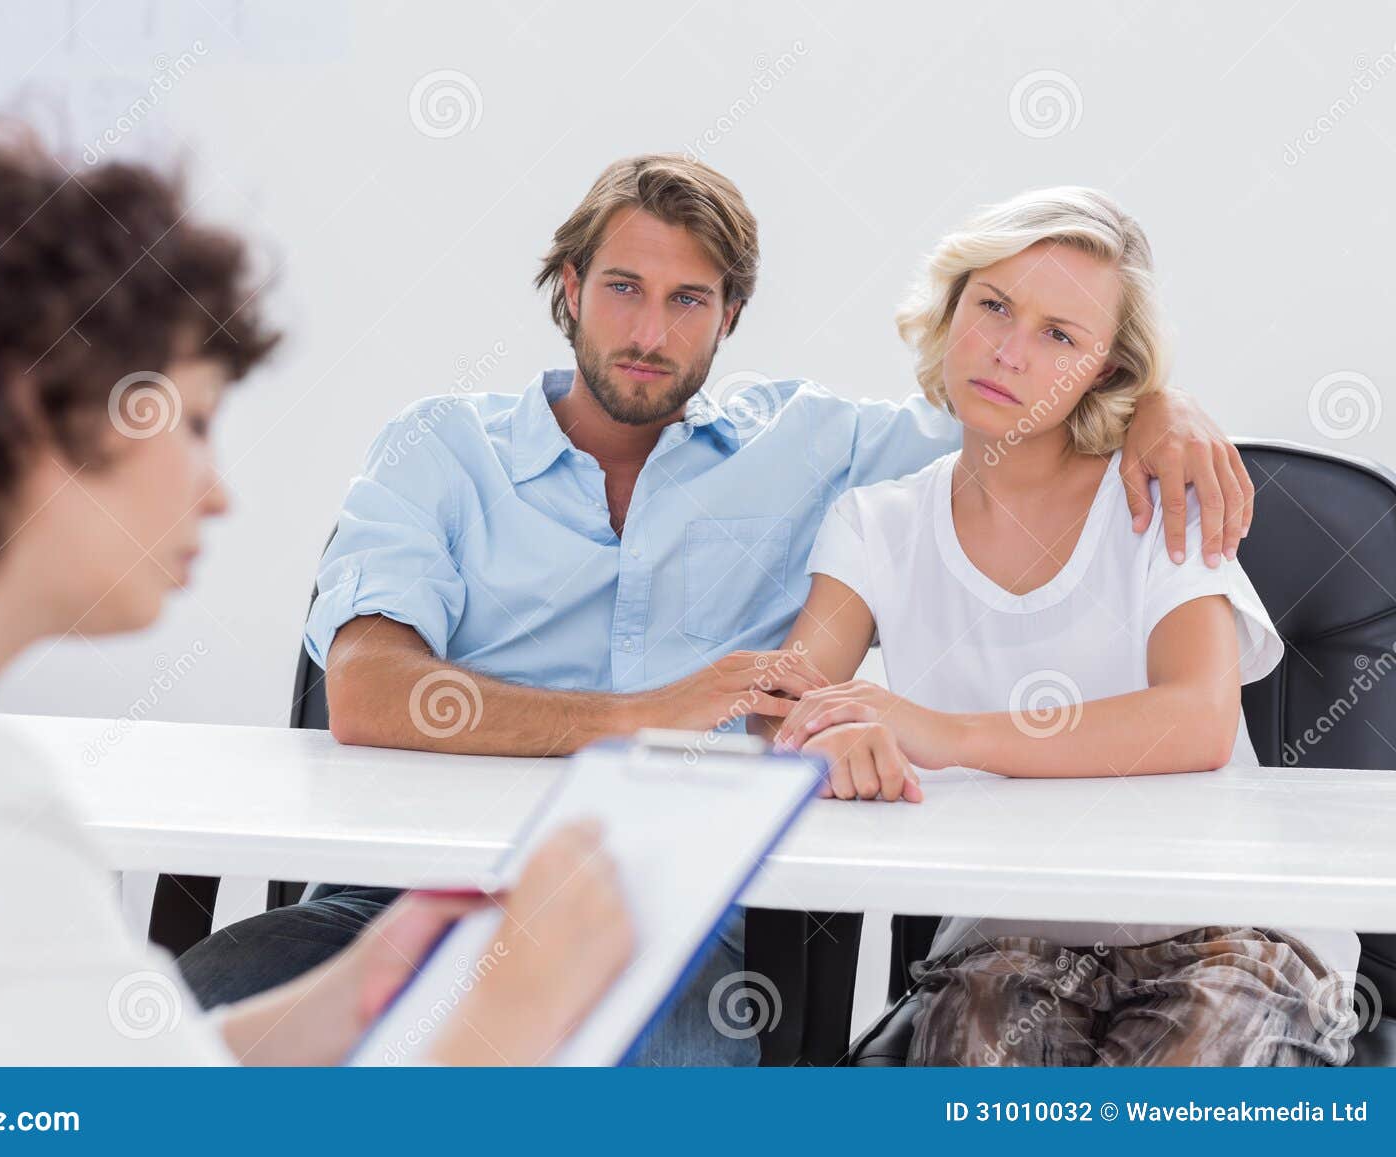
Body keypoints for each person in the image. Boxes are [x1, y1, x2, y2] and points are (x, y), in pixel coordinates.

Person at [177, 154, 1258, 1066]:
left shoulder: (823, 451)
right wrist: (643, 714)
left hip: (665, 918)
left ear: (730, 314)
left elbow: (1024, 413)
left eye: (689, 299)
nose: (649, 330)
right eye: (621, 288)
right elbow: (366, 693)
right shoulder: (439, 447)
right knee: (175, 1024)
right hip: (402, 895)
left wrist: (1162, 402)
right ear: (565, 286)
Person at [0, 127, 633, 1065]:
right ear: (34, 403)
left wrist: (351, 995)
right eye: (190, 421)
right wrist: (506, 1019)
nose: (218, 490)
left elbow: (124, 1084)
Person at [767, 186, 1357, 1066]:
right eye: (994, 306)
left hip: (1224, 924)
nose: (1008, 351)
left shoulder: (1157, 494)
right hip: (1005, 936)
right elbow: (785, 703)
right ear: (951, 305)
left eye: (1060, 336)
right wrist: (817, 737)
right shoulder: (875, 523)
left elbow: (1195, 719)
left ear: (1107, 371)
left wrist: (940, 732)